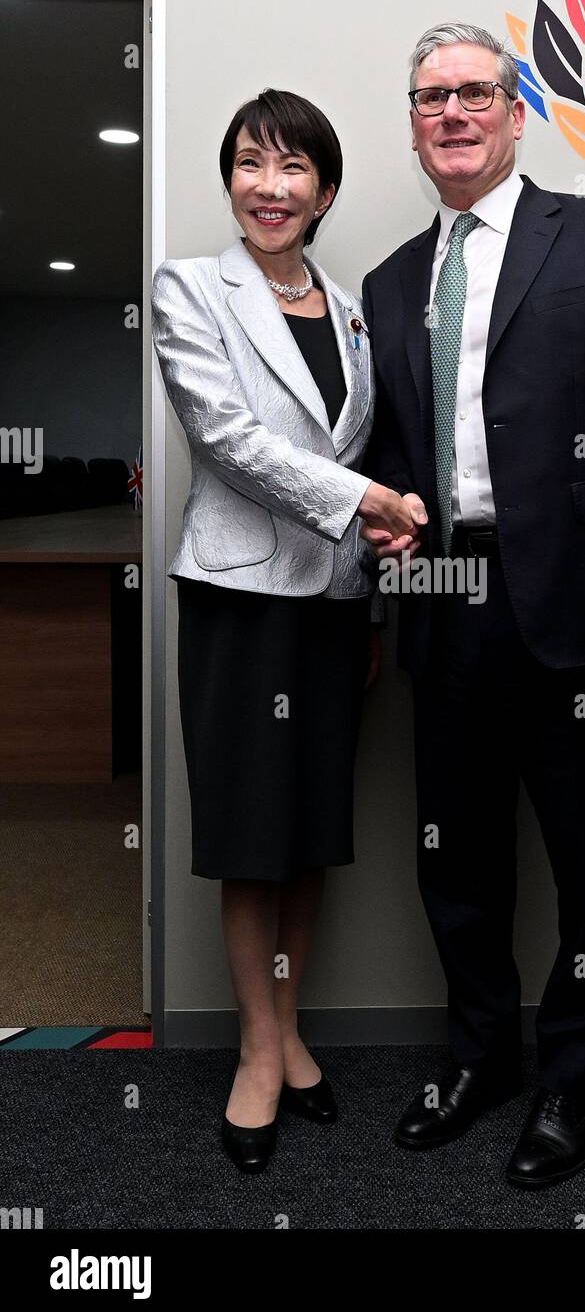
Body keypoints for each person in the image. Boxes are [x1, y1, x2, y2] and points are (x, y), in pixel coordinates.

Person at [360, 24, 585, 1188]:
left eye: (474, 94)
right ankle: (479, 1056)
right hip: (447, 605)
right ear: (413, 121)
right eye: (430, 97)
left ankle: (571, 1079)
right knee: (456, 858)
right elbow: (392, 456)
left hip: (579, 606)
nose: (451, 113)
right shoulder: (393, 281)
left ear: (515, 111)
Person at [151, 88, 414, 1173]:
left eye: (294, 169)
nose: (271, 187)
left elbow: (365, 445)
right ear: (231, 181)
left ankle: (291, 1025)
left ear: (326, 191)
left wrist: (380, 544)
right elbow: (225, 438)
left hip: (334, 604)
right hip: (242, 597)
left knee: (312, 832)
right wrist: (362, 502)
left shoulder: (352, 308)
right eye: (252, 165)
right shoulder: (190, 288)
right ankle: (257, 1052)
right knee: (252, 834)